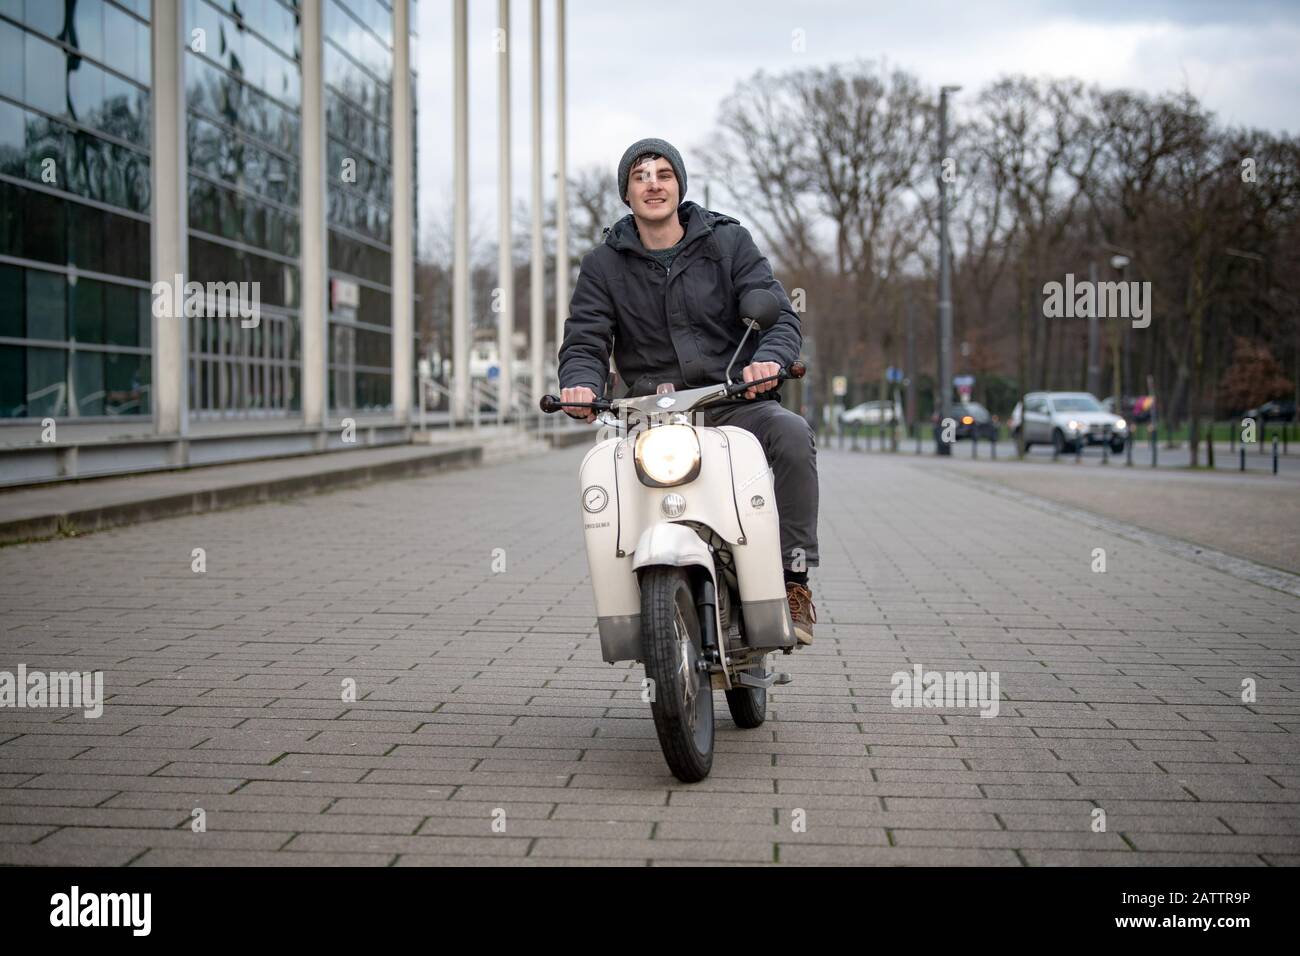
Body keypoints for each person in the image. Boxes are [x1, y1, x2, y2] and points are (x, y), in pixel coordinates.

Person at [557, 137, 819, 644]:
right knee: (606, 482)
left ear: (679, 185)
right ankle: (630, 606)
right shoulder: (602, 266)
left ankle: (793, 581)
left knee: (790, 434)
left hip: (733, 403)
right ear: (626, 194)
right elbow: (586, 339)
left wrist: (769, 359)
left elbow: (778, 314)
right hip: (650, 417)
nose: (653, 184)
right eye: (640, 176)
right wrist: (580, 386)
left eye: (663, 174)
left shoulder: (727, 243)